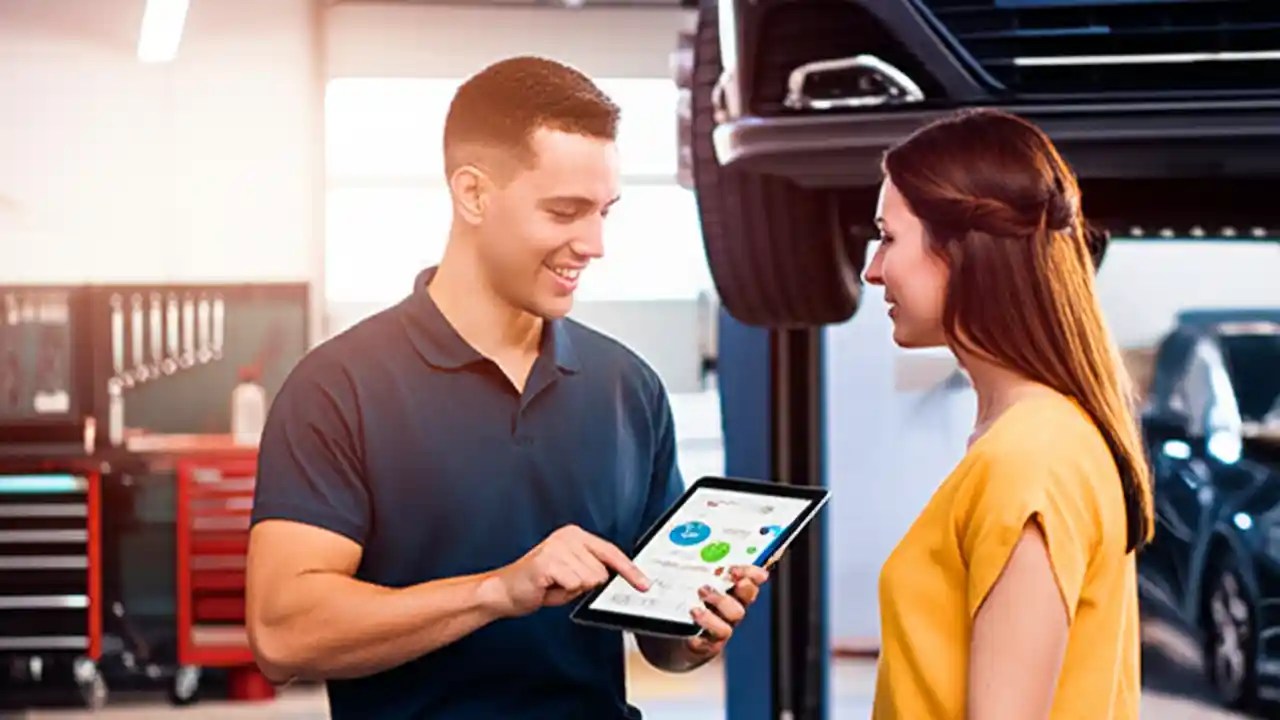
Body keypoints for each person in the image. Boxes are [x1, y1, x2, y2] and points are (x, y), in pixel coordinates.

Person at [243, 56, 769, 719]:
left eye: (605, 212)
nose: (595, 243)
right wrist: (498, 591)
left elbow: (660, 644)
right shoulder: (338, 388)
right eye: (565, 211)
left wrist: (698, 629)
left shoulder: (627, 388)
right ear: (472, 194)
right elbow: (282, 634)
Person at [864, 108, 1154, 719]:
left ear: (960, 251)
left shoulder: (1028, 459)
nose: (872, 270)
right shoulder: (1052, 435)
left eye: (887, 237)